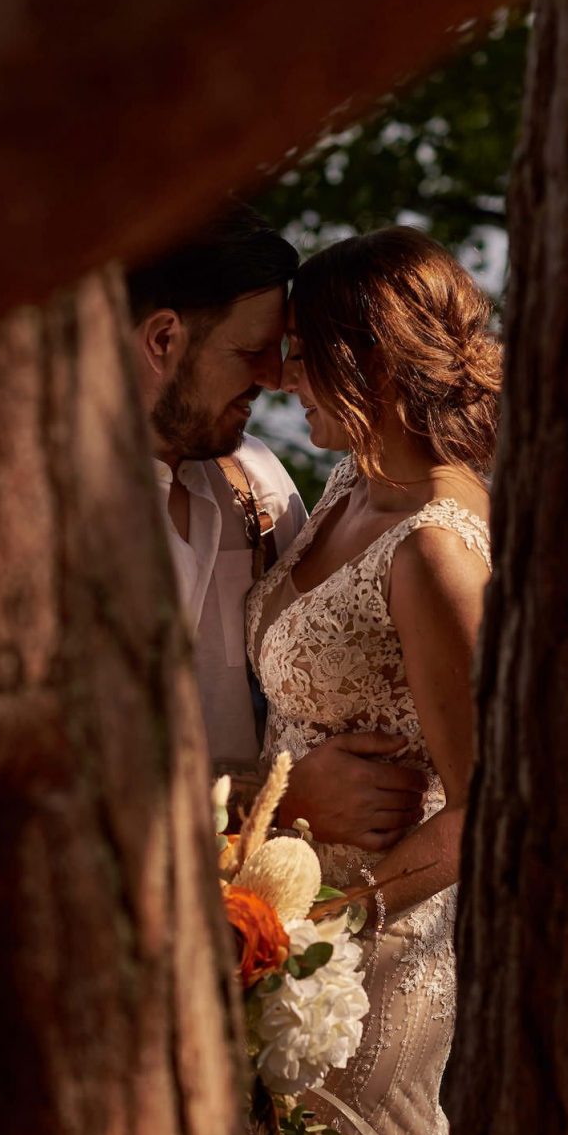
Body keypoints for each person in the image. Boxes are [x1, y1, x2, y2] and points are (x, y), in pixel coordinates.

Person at [246, 225, 501, 1135]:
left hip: (382, 960)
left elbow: (487, 807)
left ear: (373, 359)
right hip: (292, 926)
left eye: (305, 357)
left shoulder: (439, 549)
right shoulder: (349, 484)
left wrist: (331, 932)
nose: (285, 380)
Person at [126, 203, 427, 847]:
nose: (276, 377)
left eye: (281, 351)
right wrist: (275, 801)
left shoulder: (256, 482)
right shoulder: (41, 518)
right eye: (252, 351)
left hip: (281, 924)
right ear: (162, 340)